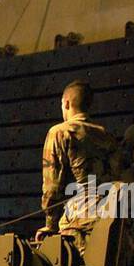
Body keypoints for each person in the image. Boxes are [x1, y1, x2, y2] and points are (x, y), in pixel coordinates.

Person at [37, 79, 119, 241]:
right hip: (110, 220)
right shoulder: (106, 135)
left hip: (78, 224)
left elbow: (52, 186)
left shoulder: (59, 132)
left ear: (66, 103)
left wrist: (50, 224)